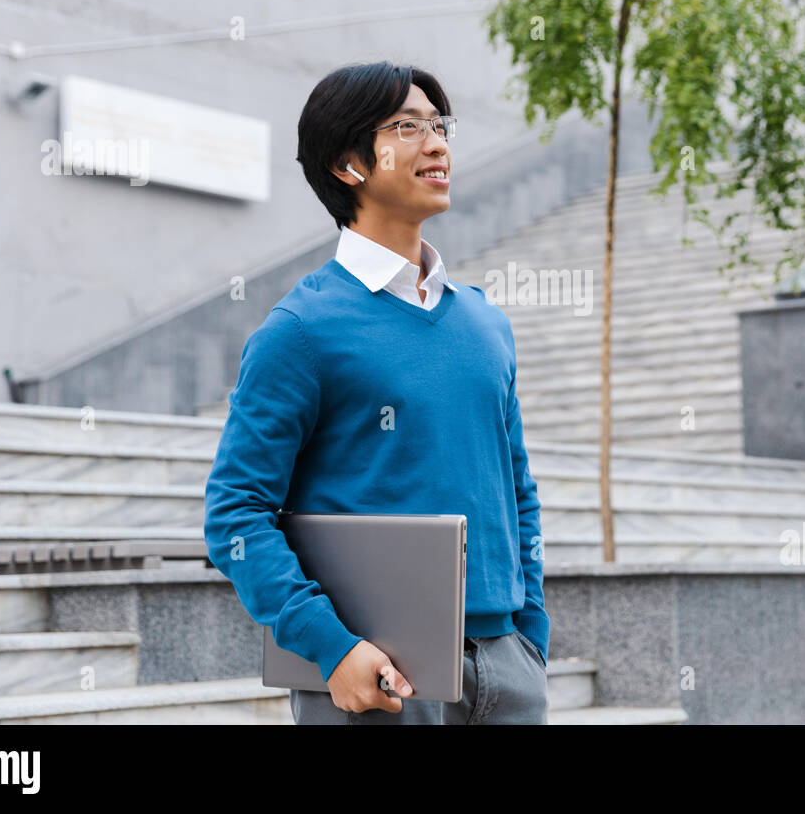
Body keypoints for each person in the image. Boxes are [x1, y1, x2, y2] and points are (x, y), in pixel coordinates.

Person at [204, 60, 549, 724]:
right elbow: (235, 516)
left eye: (440, 126)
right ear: (348, 165)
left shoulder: (485, 324)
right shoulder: (301, 331)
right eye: (408, 127)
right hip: (377, 678)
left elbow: (518, 489)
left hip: (508, 671)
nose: (439, 143)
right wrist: (332, 650)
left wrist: (530, 635)